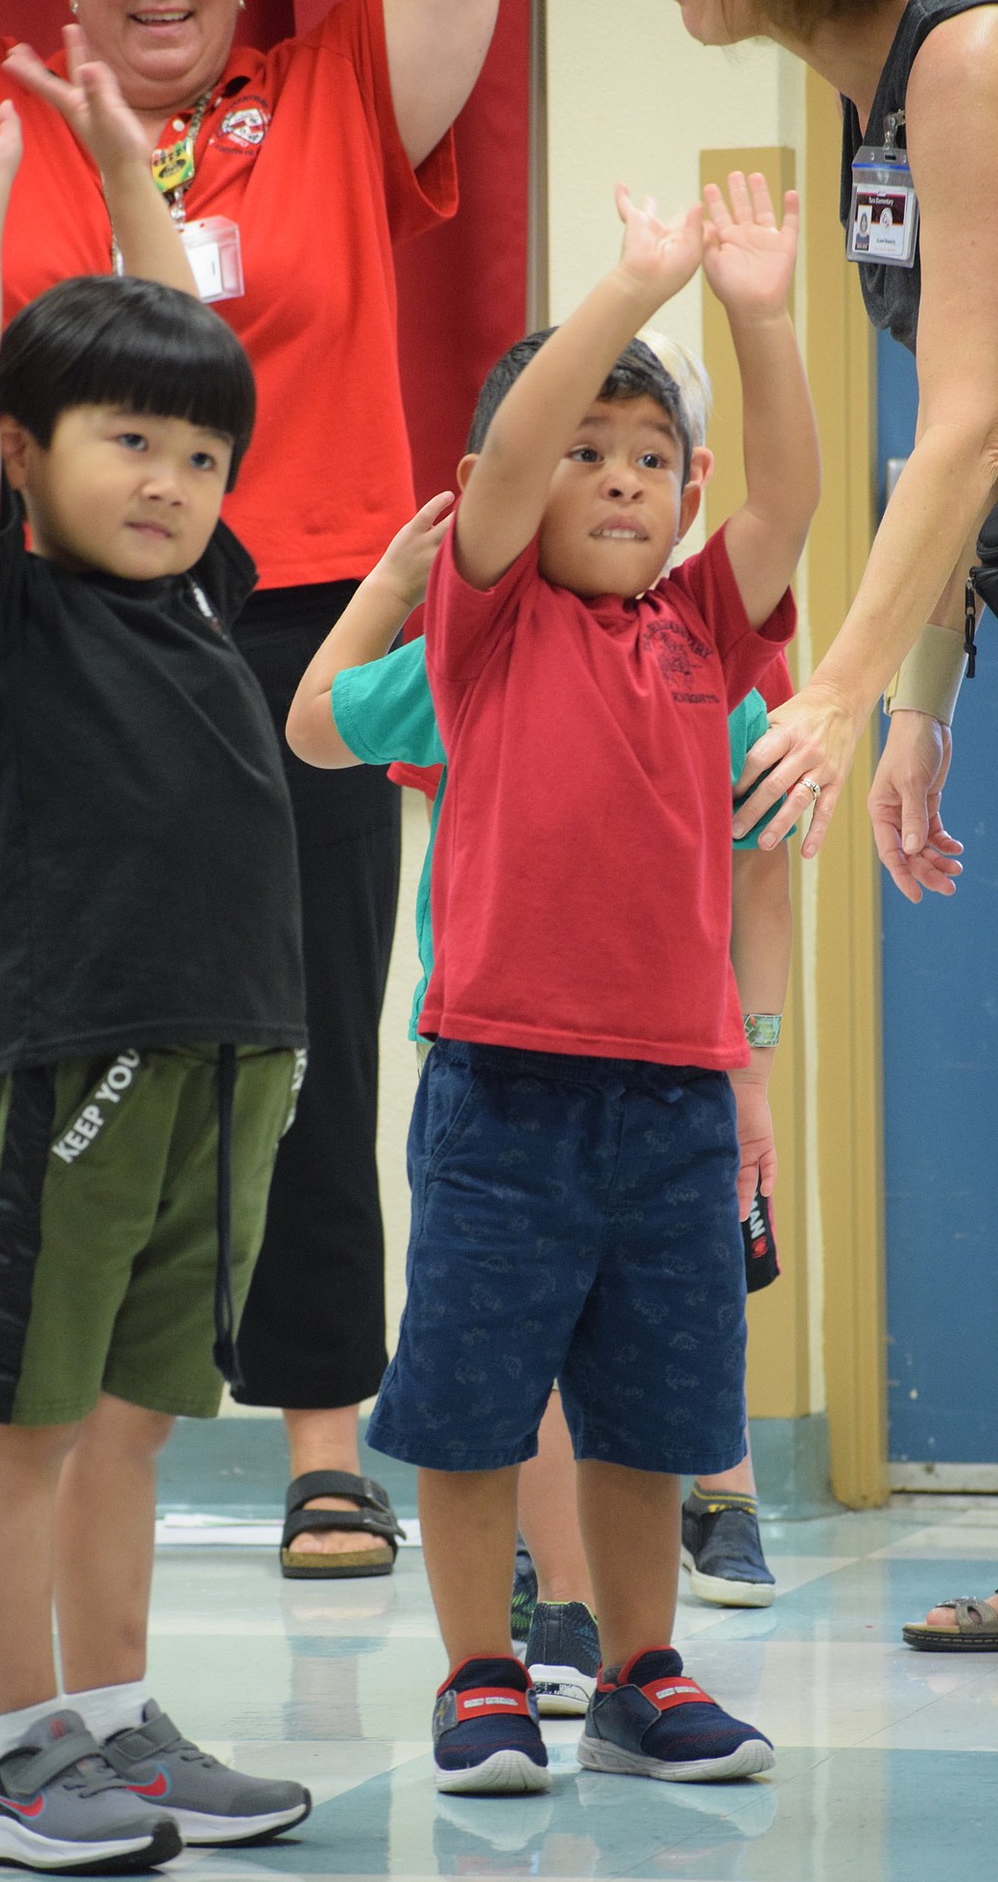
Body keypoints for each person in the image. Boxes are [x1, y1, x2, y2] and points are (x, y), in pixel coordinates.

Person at [0, 0, 507, 1578]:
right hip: (29, 640)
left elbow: (186, 345)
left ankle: (323, 1443)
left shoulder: (332, 88)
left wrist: (126, 171)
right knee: (50, 1048)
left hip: (284, 619)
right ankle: (23, 1429)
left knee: (295, 1035)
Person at [356, 168, 815, 1795]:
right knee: (473, 1401)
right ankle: (482, 1672)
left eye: (651, 458)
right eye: (588, 451)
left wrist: (758, 318)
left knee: (651, 1410)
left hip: (674, 1101)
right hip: (503, 1090)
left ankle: (640, 1674)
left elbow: (787, 504)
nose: (622, 477)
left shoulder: (704, 626)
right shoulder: (487, 626)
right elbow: (503, 465)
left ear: (685, 495)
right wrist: (630, 293)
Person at [0, 50, 312, 1870]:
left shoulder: (206, 593)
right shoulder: (1, 612)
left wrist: (118, 157)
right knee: (33, 1419)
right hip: (86, 1055)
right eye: (125, 443)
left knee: (138, 1424)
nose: (169, 482)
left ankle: (116, 1729)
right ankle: (18, 1764)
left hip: (235, 1055)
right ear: (25, 455)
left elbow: (187, 339)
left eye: (199, 455)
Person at [663, 0, 998, 1650]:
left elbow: (971, 421)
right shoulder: (885, 91)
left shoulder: (973, 54)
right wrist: (927, 695)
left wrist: (849, 687)